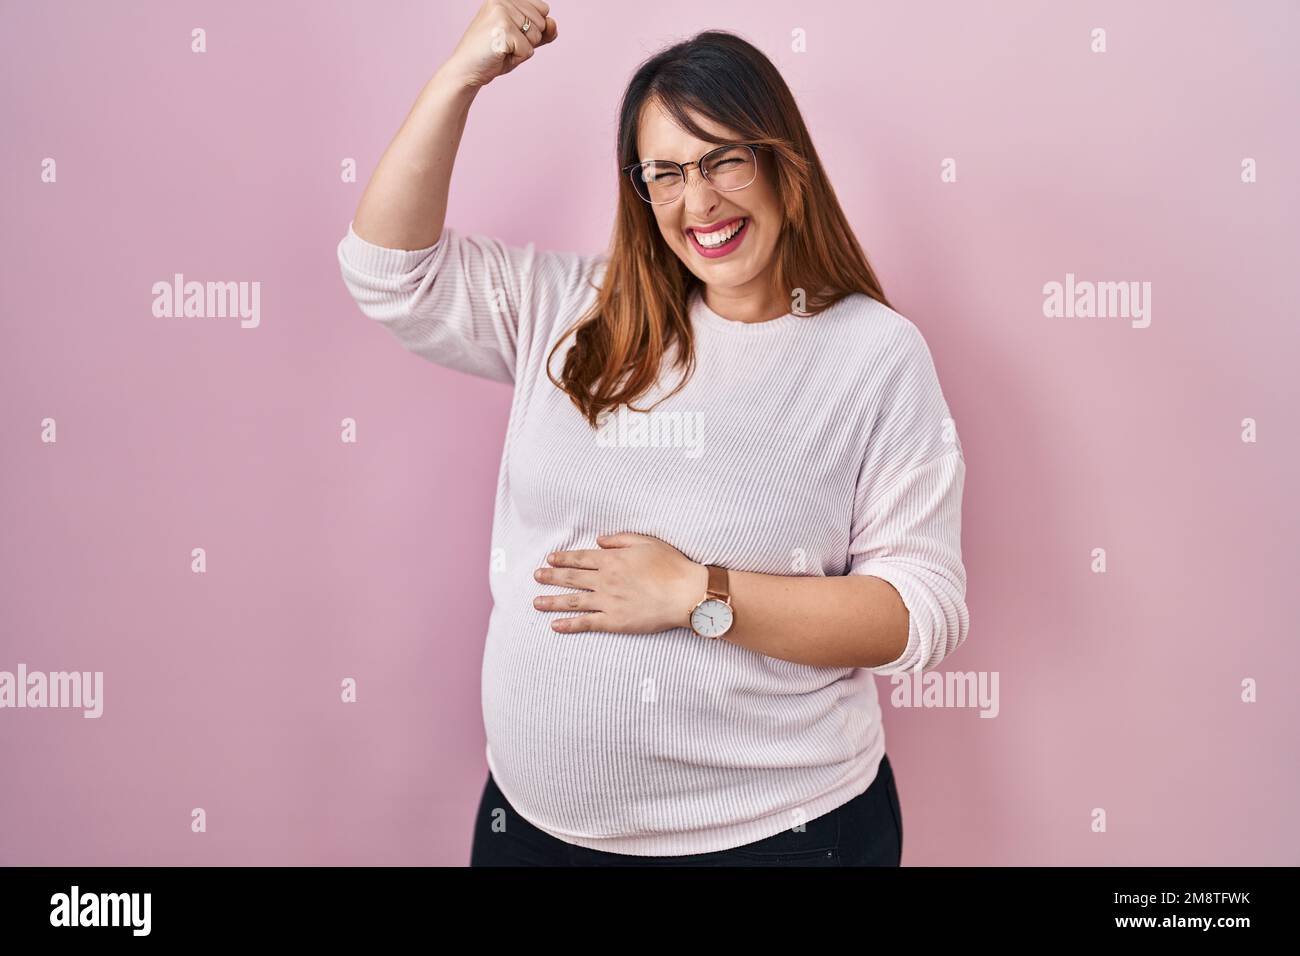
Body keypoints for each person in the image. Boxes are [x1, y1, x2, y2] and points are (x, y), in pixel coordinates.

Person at [336, 0, 969, 867]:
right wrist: (460, 78)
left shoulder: (873, 354)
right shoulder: (570, 309)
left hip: (777, 839)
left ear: (784, 166)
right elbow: (388, 273)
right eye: (663, 173)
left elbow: (917, 612)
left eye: (723, 162)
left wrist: (696, 594)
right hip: (534, 833)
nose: (697, 200)